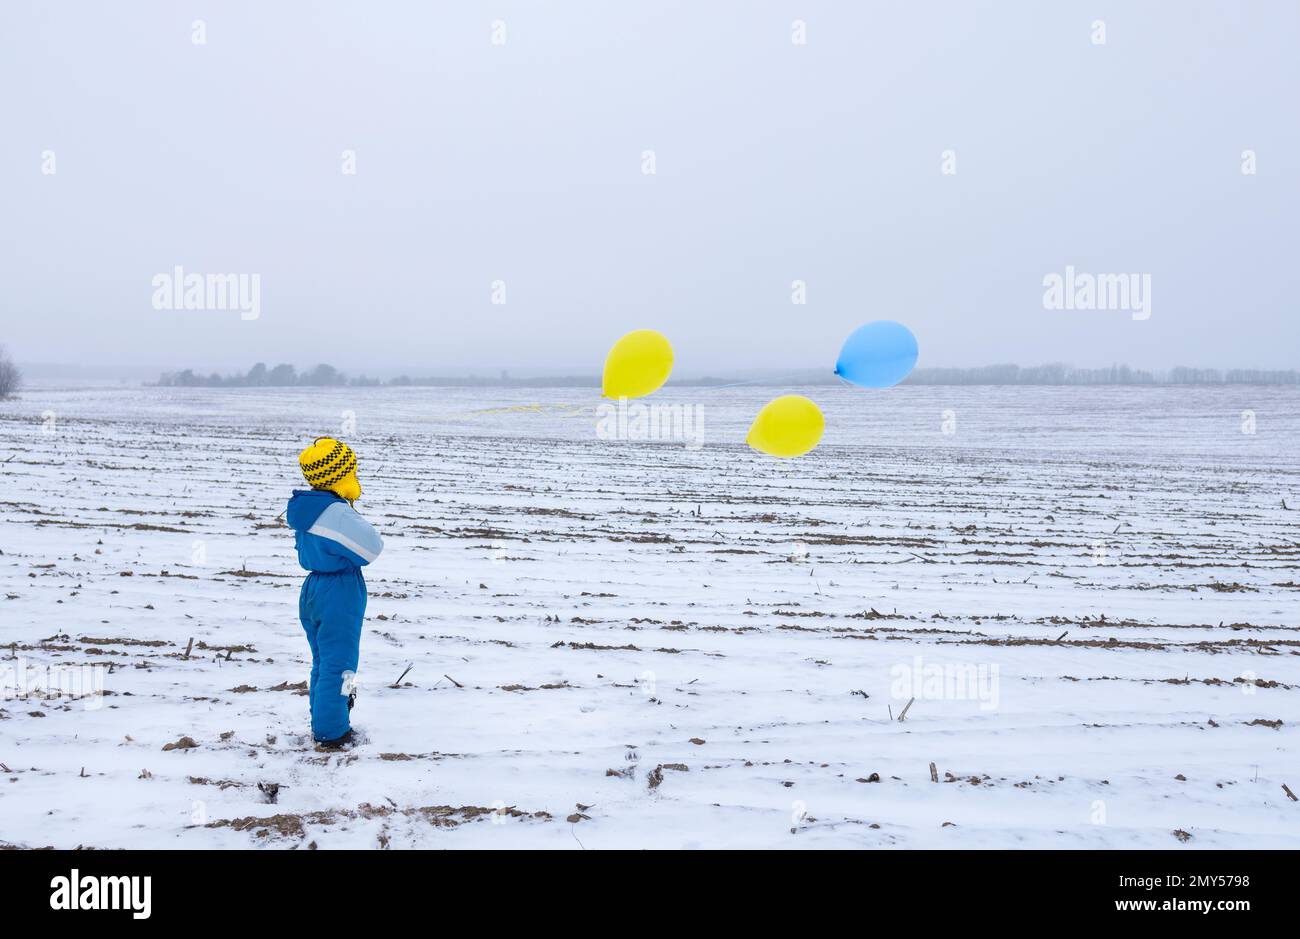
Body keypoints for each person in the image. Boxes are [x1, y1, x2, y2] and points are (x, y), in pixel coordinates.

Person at [285, 437, 383, 749]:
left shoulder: (307, 508)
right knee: (340, 665)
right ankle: (333, 731)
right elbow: (371, 547)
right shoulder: (334, 513)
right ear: (338, 475)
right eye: (351, 469)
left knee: (323, 661)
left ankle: (323, 717)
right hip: (337, 594)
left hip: (313, 589)